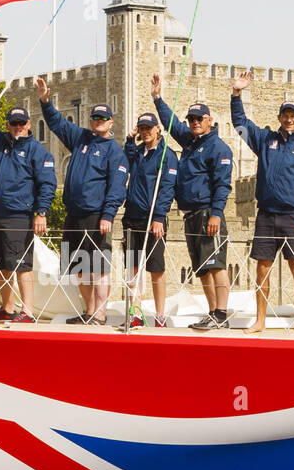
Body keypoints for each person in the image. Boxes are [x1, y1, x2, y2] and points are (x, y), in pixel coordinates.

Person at [230, 70, 294, 333]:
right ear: (279, 118)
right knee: (262, 270)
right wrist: (237, 93)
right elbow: (240, 123)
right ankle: (260, 320)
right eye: (285, 115)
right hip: (266, 215)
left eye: (293, 115)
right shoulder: (265, 140)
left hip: (293, 217)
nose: (289, 119)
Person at [38, 78, 129, 325]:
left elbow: (117, 186)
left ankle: (100, 314)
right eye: (95, 118)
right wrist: (45, 101)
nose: (98, 122)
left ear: (110, 122)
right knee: (79, 267)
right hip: (74, 214)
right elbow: (56, 123)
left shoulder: (115, 151)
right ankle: (89, 312)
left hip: (96, 216)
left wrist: (108, 215)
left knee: (99, 267)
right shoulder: (81, 138)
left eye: (102, 119)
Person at [152, 74, 234, 330]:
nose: (195, 123)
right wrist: (157, 99)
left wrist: (216, 214)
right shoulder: (189, 142)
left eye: (200, 119)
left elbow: (222, 184)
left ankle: (221, 312)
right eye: (192, 119)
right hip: (190, 215)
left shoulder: (218, 148)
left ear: (210, 121)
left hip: (208, 212)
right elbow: (171, 123)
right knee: (202, 268)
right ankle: (212, 311)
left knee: (216, 264)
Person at [0, 83, 56, 323]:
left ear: (29, 124)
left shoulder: (39, 153)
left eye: (22, 123)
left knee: (21, 265)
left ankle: (27, 311)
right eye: (13, 123)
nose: (18, 127)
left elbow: (47, 184)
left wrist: (41, 212)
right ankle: (6, 307)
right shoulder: (2, 143)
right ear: (8, 125)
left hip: (21, 215)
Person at [121, 112, 178, 328]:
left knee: (156, 268)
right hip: (132, 218)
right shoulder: (137, 152)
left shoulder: (167, 155)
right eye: (142, 128)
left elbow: (167, 189)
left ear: (158, 130)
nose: (145, 132)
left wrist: (159, 217)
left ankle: (160, 315)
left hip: (153, 219)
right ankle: (134, 311)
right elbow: (125, 157)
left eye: (148, 128)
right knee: (132, 268)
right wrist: (129, 138)